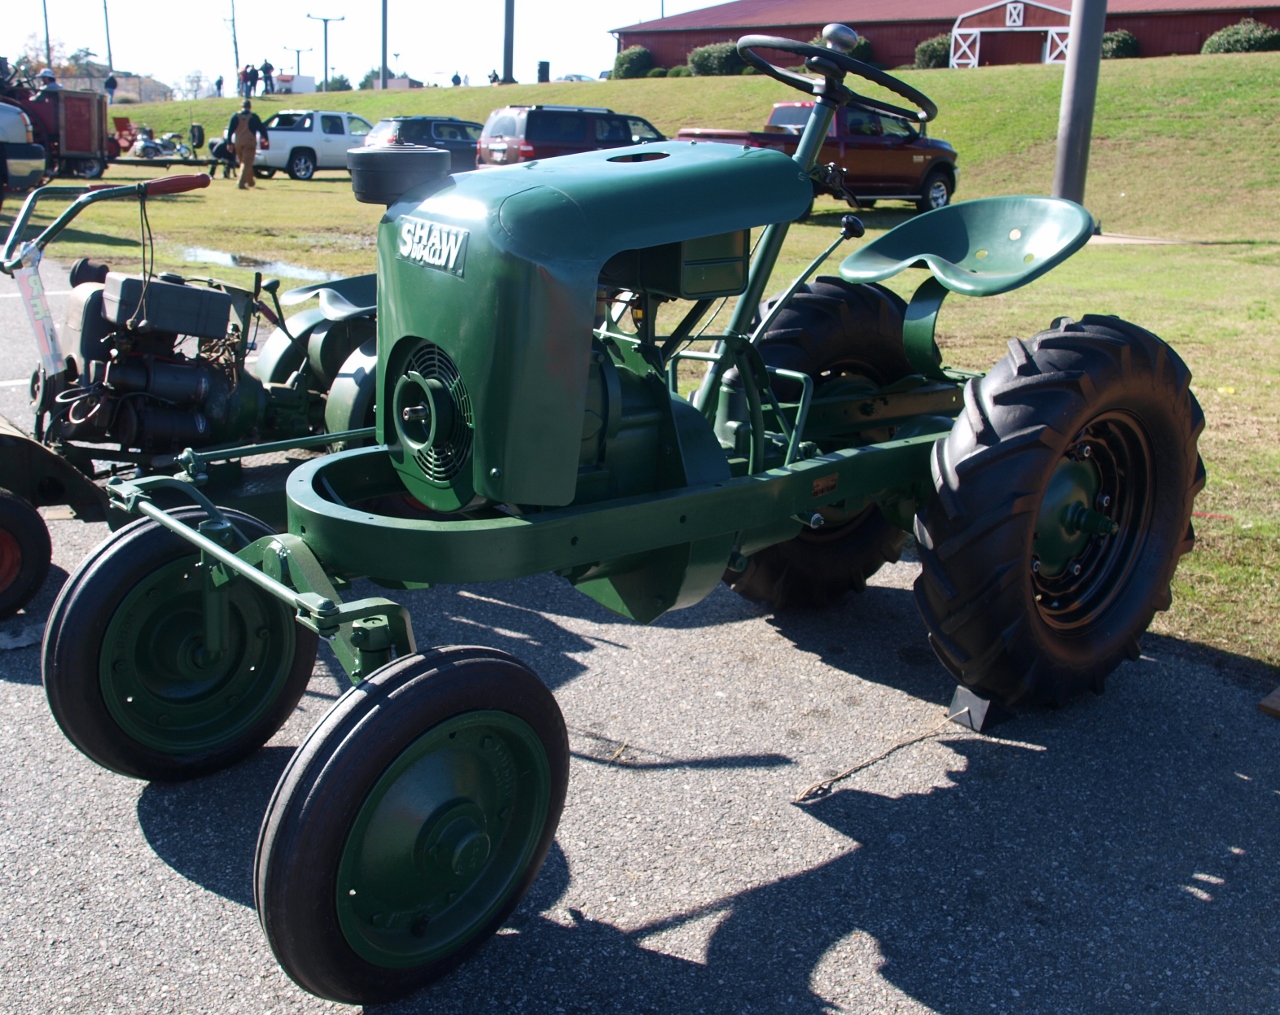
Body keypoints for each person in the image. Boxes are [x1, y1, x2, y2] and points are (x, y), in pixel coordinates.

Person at [227, 99, 268, 190]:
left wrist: (229, 143)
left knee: (243, 163)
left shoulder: (235, 116)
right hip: (249, 142)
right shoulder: (253, 117)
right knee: (247, 163)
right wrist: (266, 139)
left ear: (241, 106)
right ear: (250, 107)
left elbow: (230, 131)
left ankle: (250, 181)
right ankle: (241, 182)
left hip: (238, 142)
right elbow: (262, 128)